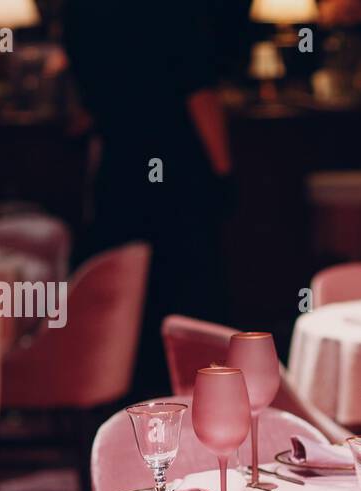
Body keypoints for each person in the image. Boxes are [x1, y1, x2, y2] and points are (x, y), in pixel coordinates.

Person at [63, 0, 234, 399]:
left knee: (129, 300)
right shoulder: (174, 10)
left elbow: (87, 97)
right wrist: (223, 169)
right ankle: (197, 407)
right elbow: (199, 91)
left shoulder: (81, 11)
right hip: (178, 166)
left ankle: (131, 416)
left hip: (119, 167)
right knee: (188, 295)